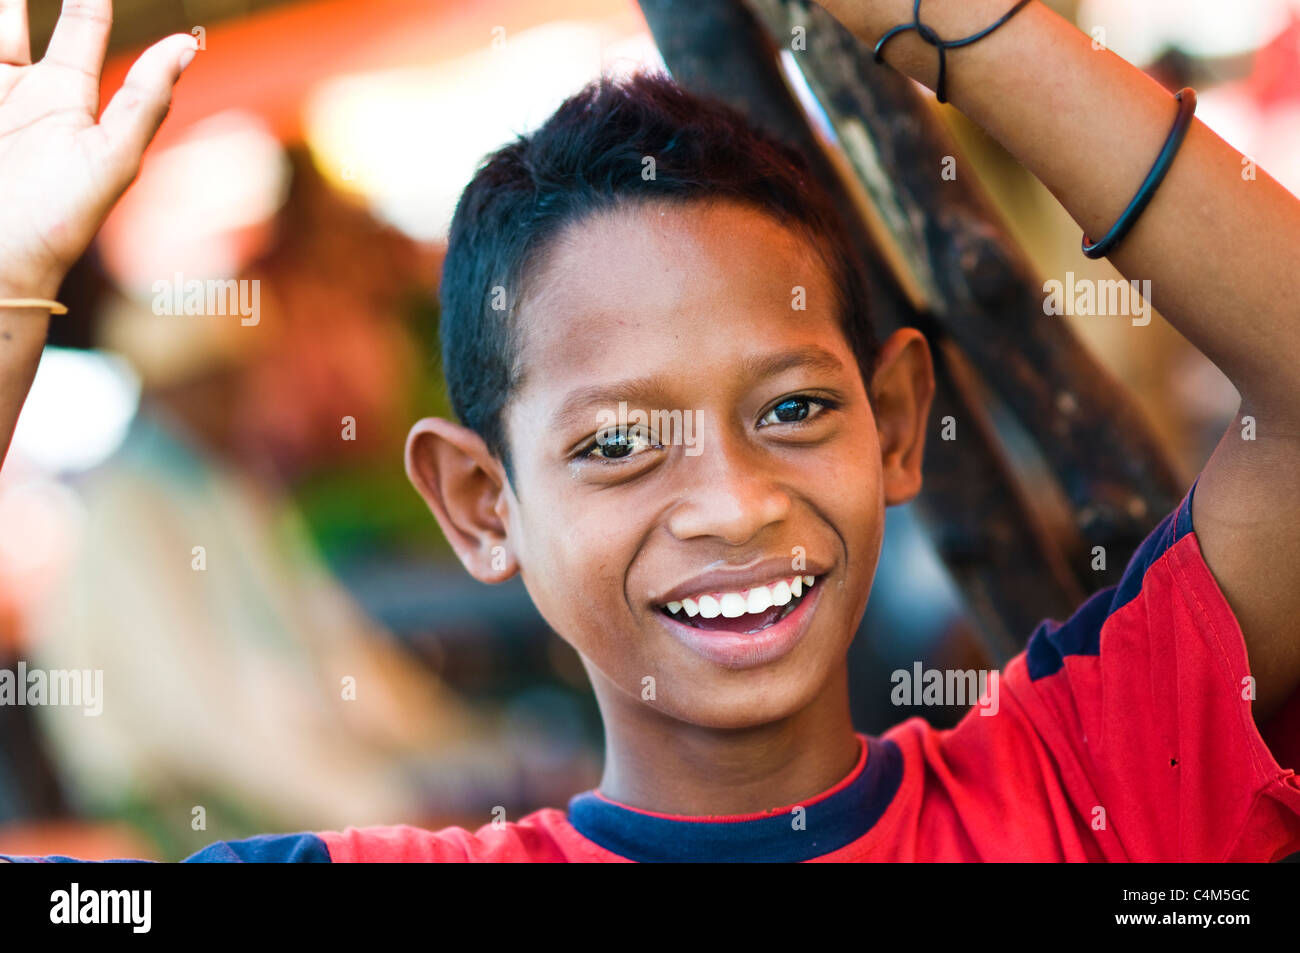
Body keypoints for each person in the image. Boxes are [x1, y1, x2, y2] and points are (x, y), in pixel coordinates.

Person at [1, 0, 1298, 862]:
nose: (732, 501)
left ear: (897, 423)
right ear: (479, 502)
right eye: (617, 444)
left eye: (794, 409)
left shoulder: (1096, 788)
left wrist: (973, 27)